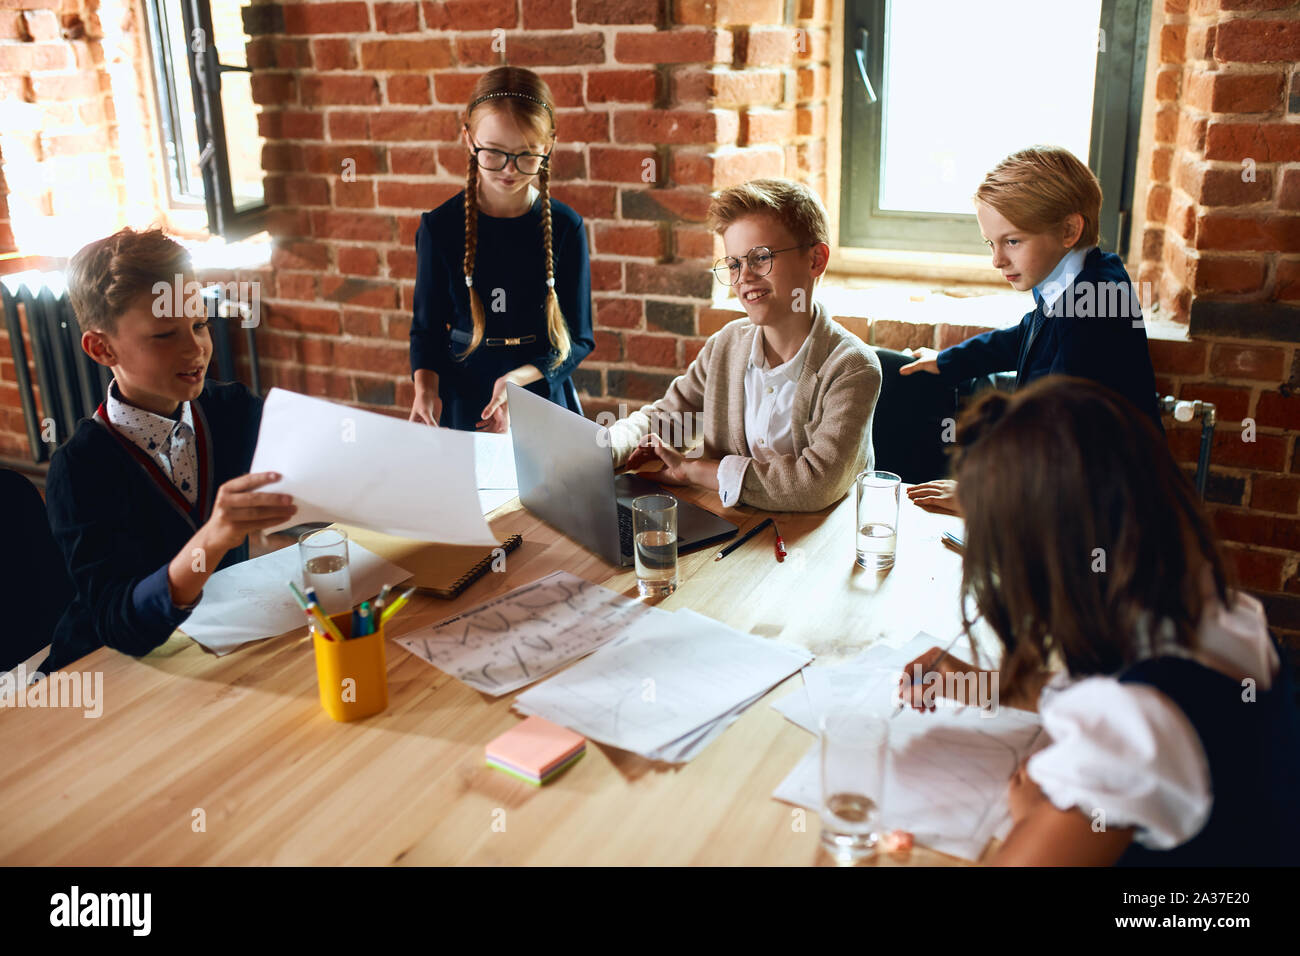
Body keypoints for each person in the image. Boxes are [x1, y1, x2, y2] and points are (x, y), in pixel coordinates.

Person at [900, 377, 1299, 866]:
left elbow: (1130, 714)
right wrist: (982, 685)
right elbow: (1102, 683)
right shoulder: (1214, 610)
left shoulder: (1135, 729)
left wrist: (1032, 813)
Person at [39, 227, 296, 672]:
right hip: (105, 671)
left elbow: (315, 471)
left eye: (199, 324)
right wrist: (215, 536)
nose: (195, 347)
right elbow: (117, 625)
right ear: (101, 348)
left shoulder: (233, 410)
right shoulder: (79, 468)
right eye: (164, 335)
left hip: (206, 649)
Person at [901, 146, 1162, 517]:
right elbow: (1029, 333)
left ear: (1069, 230)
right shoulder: (1078, 279)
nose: (997, 260)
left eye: (1012, 241)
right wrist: (947, 360)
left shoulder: (1094, 311)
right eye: (991, 243)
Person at [605, 178, 882, 512]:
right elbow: (666, 420)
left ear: (815, 260)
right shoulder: (726, 344)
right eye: (734, 264)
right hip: (737, 530)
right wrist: (605, 448)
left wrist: (695, 470)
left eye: (761, 258)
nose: (743, 277)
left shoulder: (852, 367)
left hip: (817, 545)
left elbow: (814, 485)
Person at [408, 66, 593, 433]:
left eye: (526, 155)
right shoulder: (440, 227)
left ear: (549, 145)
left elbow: (579, 338)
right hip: (464, 398)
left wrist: (518, 382)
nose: (509, 170)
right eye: (493, 153)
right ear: (468, 139)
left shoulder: (567, 227)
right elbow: (426, 330)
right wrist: (425, 390)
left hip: (538, 391)